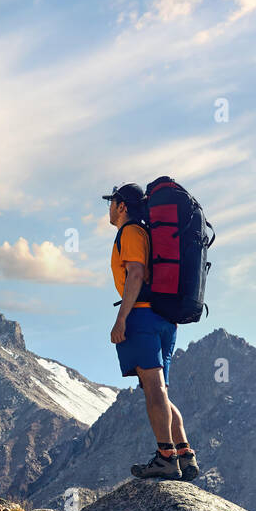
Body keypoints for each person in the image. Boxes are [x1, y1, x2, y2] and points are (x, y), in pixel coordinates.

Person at [103, 183, 199, 481]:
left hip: (141, 315)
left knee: (153, 389)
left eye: (111, 202)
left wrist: (122, 318)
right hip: (164, 319)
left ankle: (166, 457)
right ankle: (184, 454)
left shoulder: (131, 232)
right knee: (159, 389)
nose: (108, 208)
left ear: (122, 206)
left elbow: (136, 273)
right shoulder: (148, 233)